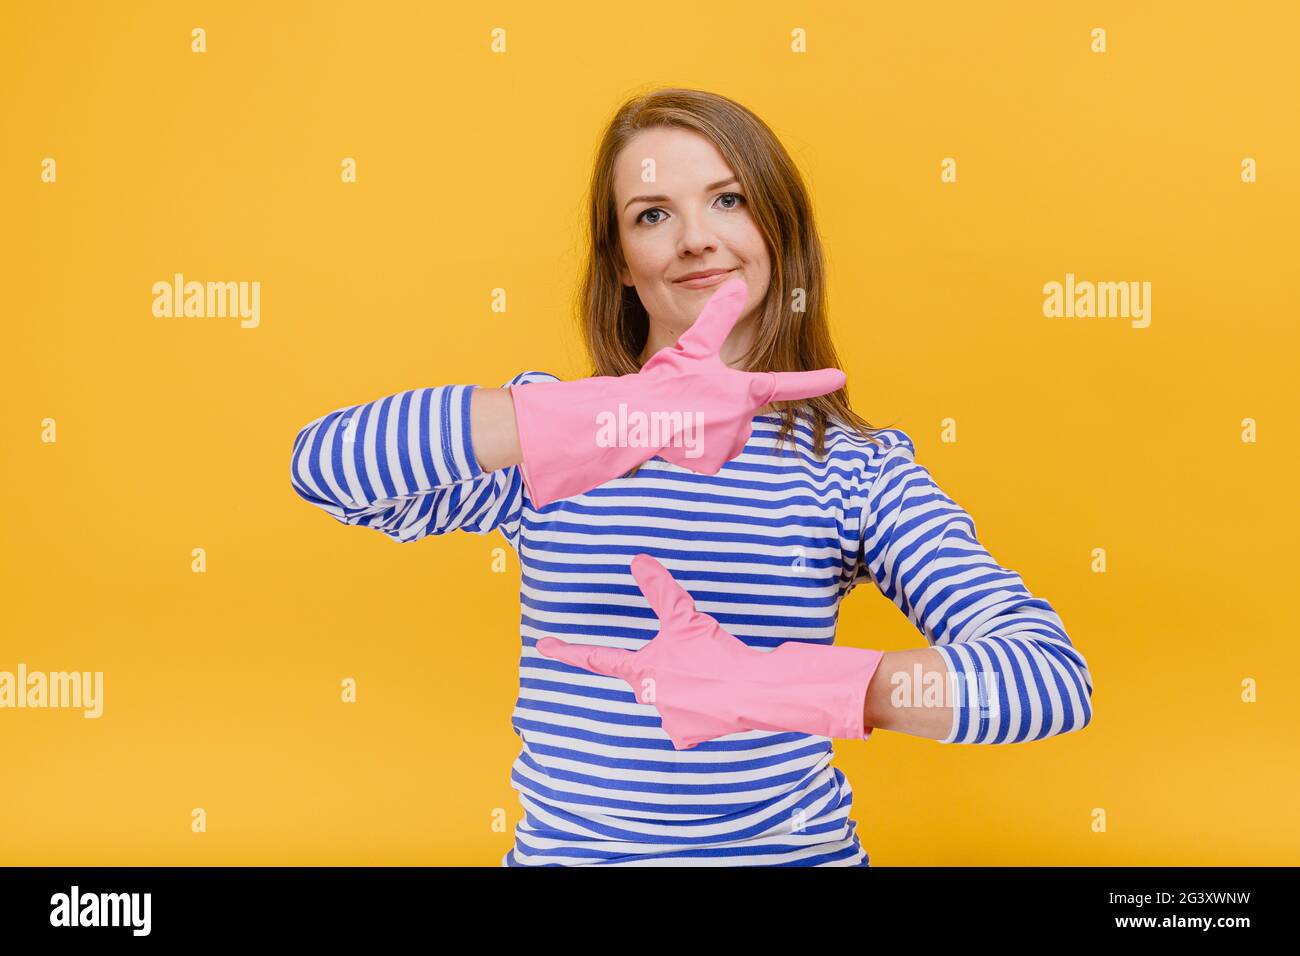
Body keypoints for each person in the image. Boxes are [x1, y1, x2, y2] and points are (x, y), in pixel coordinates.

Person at [289, 88, 1095, 866]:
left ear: (783, 233)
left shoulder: (854, 468)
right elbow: (327, 470)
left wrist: (774, 686)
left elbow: (1047, 682)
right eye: (652, 214)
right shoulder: (552, 438)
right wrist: (605, 417)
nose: (696, 240)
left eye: (729, 200)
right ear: (623, 267)